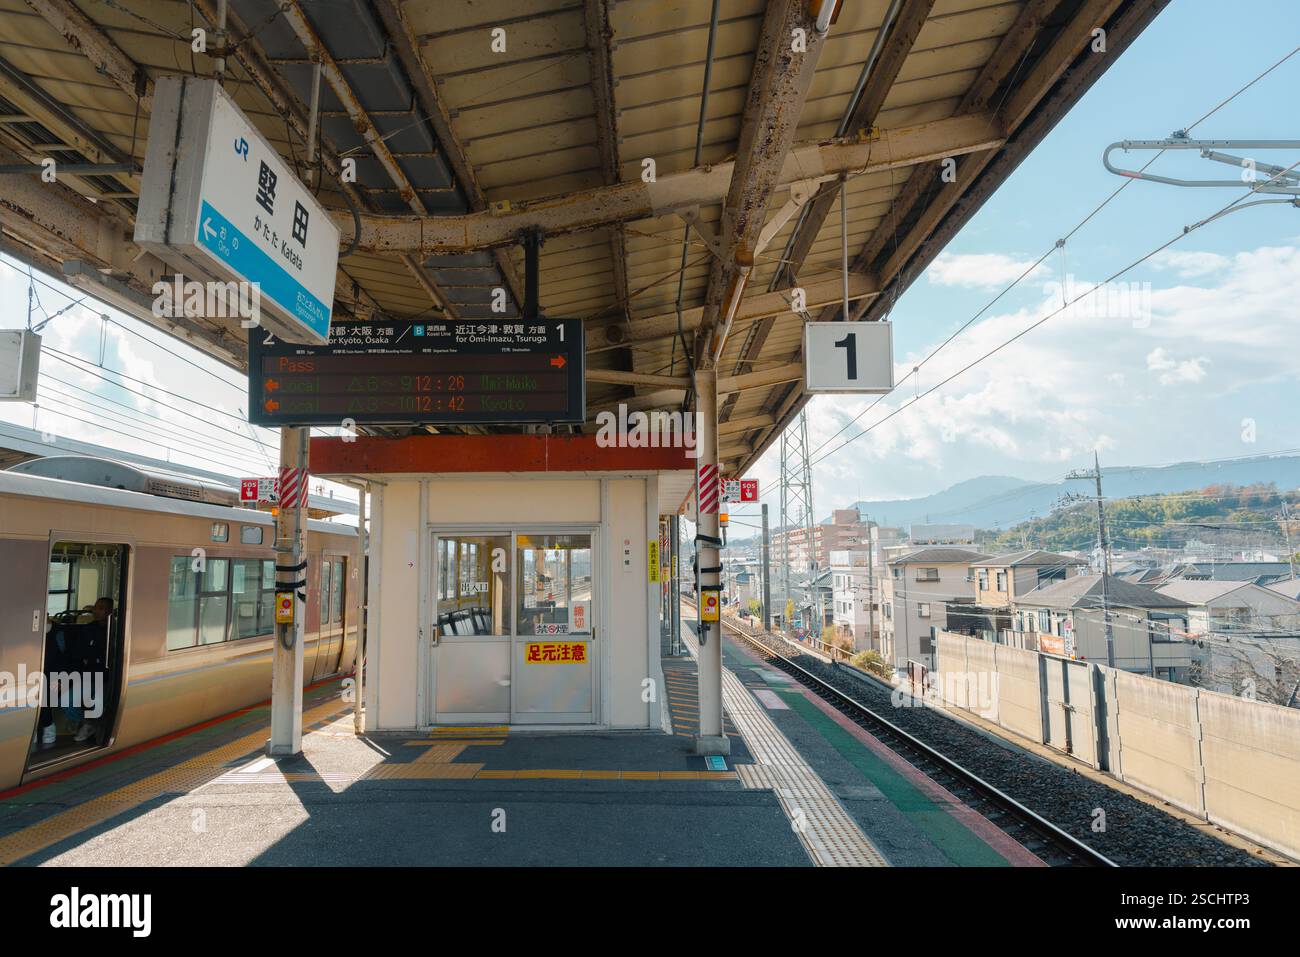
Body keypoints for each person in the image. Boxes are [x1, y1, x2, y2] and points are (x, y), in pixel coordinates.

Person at [67, 598, 112, 743]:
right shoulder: (88, 629)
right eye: (96, 608)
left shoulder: (117, 631)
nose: (96, 611)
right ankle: (87, 723)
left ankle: (92, 725)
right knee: (66, 702)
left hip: (108, 678)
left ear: (110, 612)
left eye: (101, 608)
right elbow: (78, 654)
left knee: (97, 703)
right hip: (88, 676)